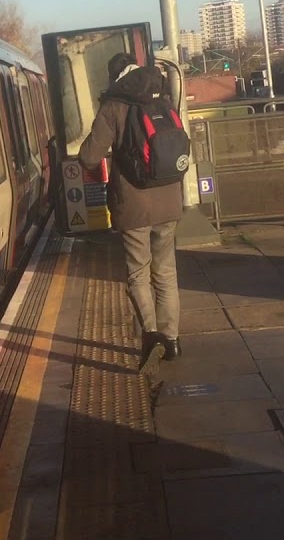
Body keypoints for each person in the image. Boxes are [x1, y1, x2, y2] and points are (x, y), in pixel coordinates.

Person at [79, 53, 185, 373]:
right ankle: (173, 341)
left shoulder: (113, 107)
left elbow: (88, 156)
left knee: (139, 273)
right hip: (169, 201)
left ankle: (151, 336)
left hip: (134, 205)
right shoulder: (162, 99)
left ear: (115, 78)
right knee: (165, 273)